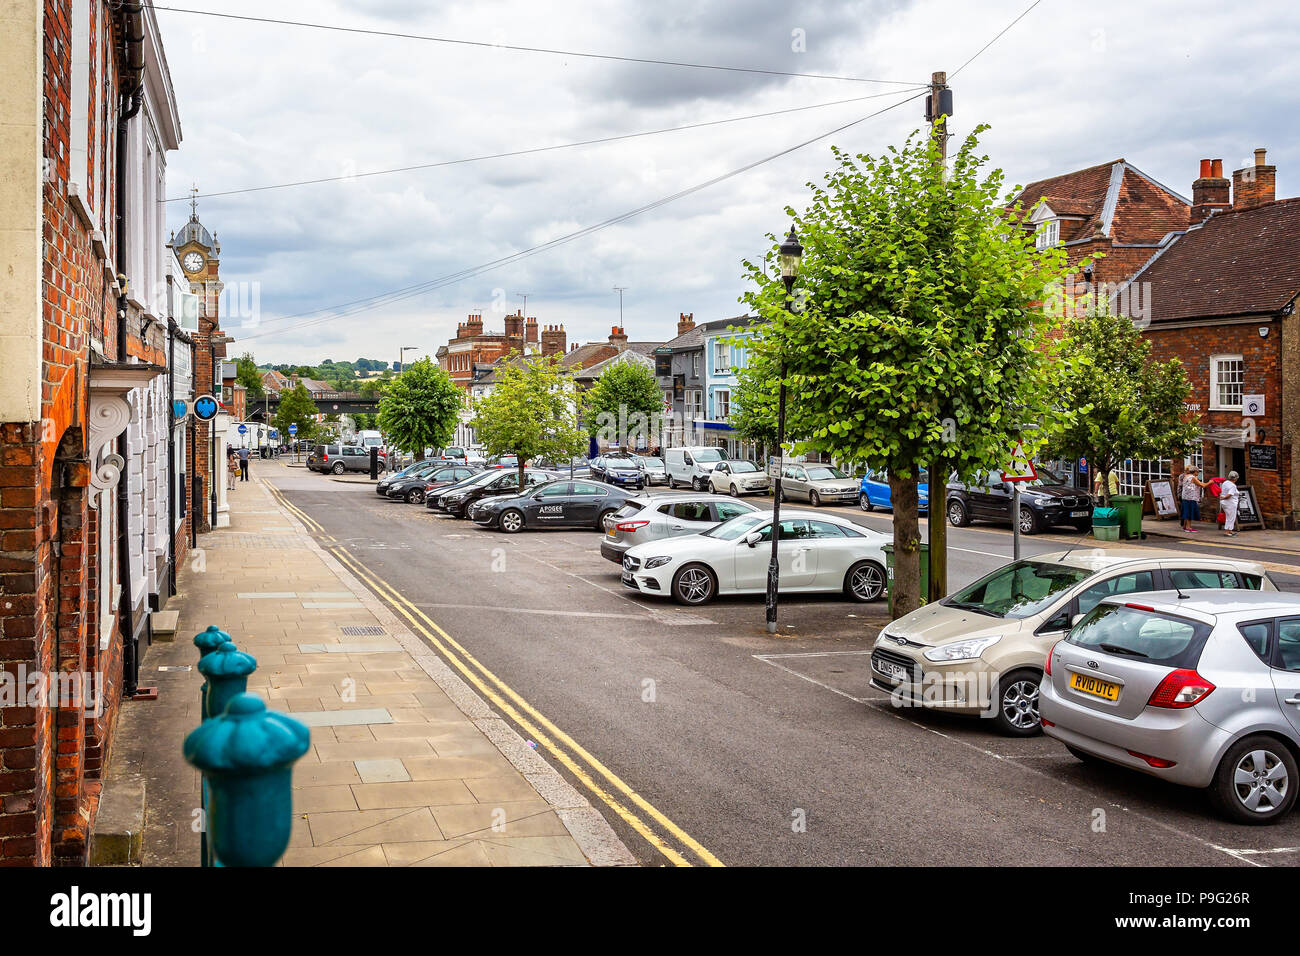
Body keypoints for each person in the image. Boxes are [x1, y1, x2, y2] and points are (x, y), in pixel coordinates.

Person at [1177, 466, 1210, 532]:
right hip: (1191, 497)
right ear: (1195, 472)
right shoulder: (1192, 477)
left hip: (1185, 497)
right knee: (1189, 512)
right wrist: (1211, 482)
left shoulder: (1186, 476)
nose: (1198, 473)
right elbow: (1202, 485)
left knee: (1186, 512)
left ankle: (1185, 526)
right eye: (1197, 472)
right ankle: (1188, 528)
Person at [1219, 470, 1241, 536]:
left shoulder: (1225, 482)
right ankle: (1227, 531)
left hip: (1224, 503)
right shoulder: (1233, 486)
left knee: (1228, 517)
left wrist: (1222, 498)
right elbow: (1230, 494)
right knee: (1231, 517)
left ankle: (1229, 530)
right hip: (1230, 503)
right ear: (1236, 478)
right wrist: (1224, 497)